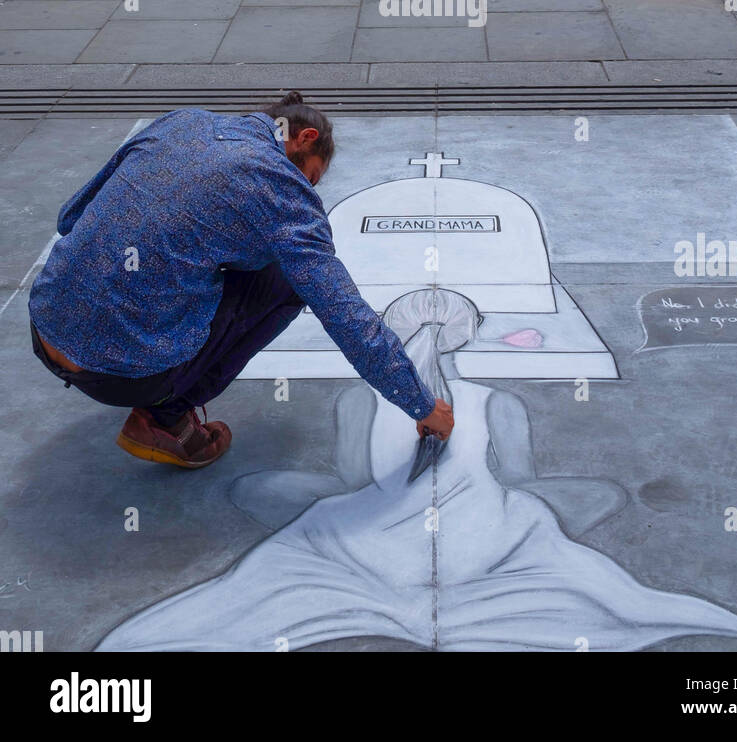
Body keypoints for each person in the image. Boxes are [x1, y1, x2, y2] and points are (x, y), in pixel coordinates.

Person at [96, 287, 737, 653]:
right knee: (550, 540)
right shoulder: (497, 401)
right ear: (469, 335)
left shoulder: (363, 394)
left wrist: (275, 494)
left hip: (358, 541)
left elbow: (352, 478)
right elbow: (524, 481)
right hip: (499, 530)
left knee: (294, 543)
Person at [28, 93, 453, 470]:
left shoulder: (180, 121)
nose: (308, 189)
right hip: (121, 376)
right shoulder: (281, 190)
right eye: (313, 177)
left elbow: (70, 216)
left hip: (44, 325)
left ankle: (149, 378)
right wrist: (418, 401)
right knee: (287, 278)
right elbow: (345, 315)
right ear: (304, 139)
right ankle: (166, 418)